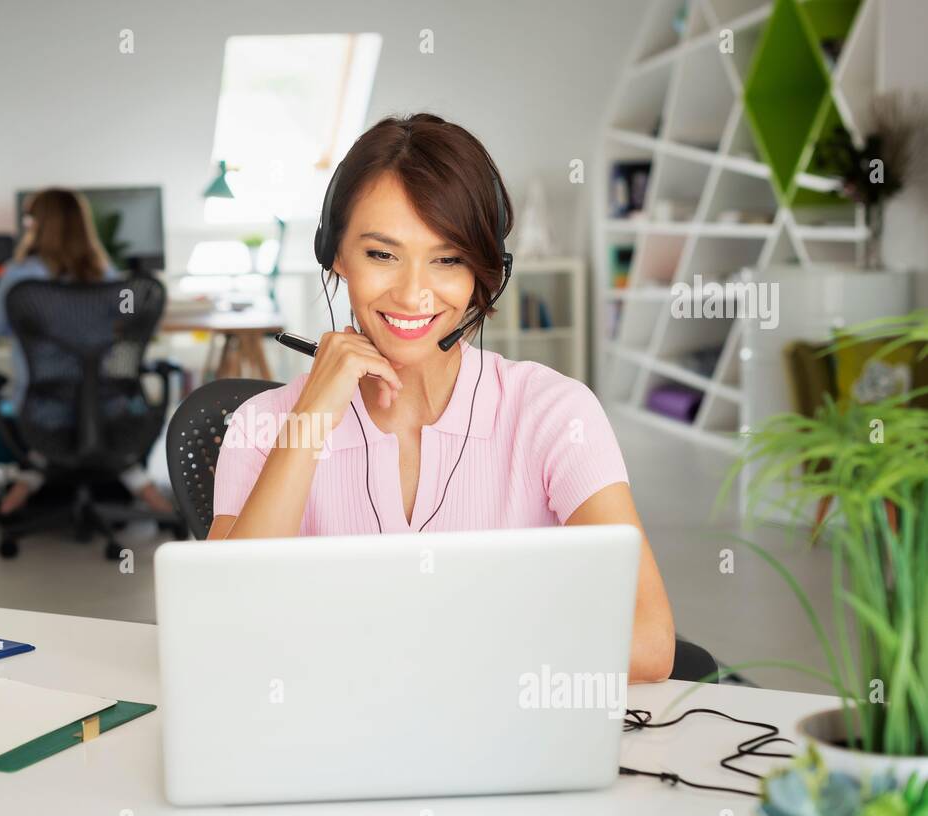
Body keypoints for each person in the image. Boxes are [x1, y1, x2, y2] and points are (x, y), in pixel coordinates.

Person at [208, 113, 675, 682]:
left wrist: (420, 650)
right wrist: (310, 419)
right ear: (335, 255)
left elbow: (648, 642)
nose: (412, 294)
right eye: (382, 254)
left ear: (486, 272)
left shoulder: (554, 413)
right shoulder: (264, 423)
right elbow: (222, 632)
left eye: (448, 259)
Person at [0, 187, 175, 516]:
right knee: (104, 408)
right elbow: (139, 328)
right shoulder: (108, 276)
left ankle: (30, 478)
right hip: (111, 407)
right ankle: (137, 481)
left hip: (44, 411)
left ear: (36, 226)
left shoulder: (20, 277)